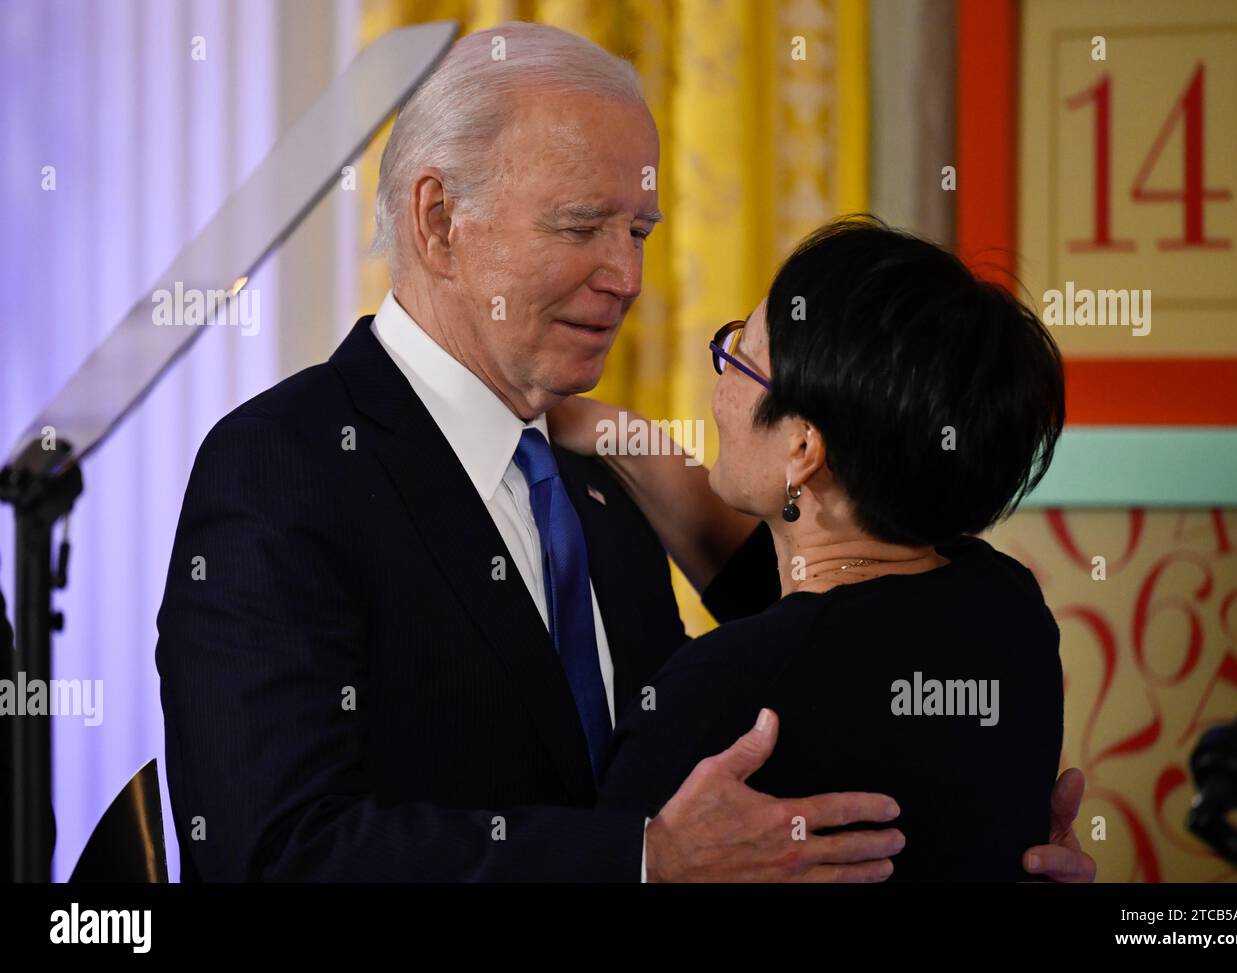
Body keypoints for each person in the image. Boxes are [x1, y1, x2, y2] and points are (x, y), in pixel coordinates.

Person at [154, 22, 1093, 882]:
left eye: (639, 232)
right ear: (440, 220)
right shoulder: (282, 470)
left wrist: (971, 838)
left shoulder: (596, 479)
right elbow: (271, 854)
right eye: (581, 227)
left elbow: (811, 664)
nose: (628, 278)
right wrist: (640, 862)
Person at [552, 215, 1080, 880]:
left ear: (803, 448)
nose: (719, 388)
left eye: (740, 353)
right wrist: (610, 430)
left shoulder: (717, 698)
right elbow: (812, 605)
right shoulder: (1007, 606)